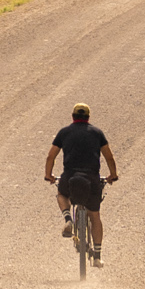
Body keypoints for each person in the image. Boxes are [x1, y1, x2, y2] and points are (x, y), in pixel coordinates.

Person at [45, 101, 117, 266]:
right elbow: (109, 157)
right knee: (95, 215)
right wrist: (113, 175)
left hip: (69, 176)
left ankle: (68, 218)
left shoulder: (64, 132)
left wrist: (48, 175)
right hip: (92, 178)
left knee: (62, 194)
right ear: (88, 117)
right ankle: (97, 257)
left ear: (73, 116)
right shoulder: (97, 133)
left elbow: (51, 156)